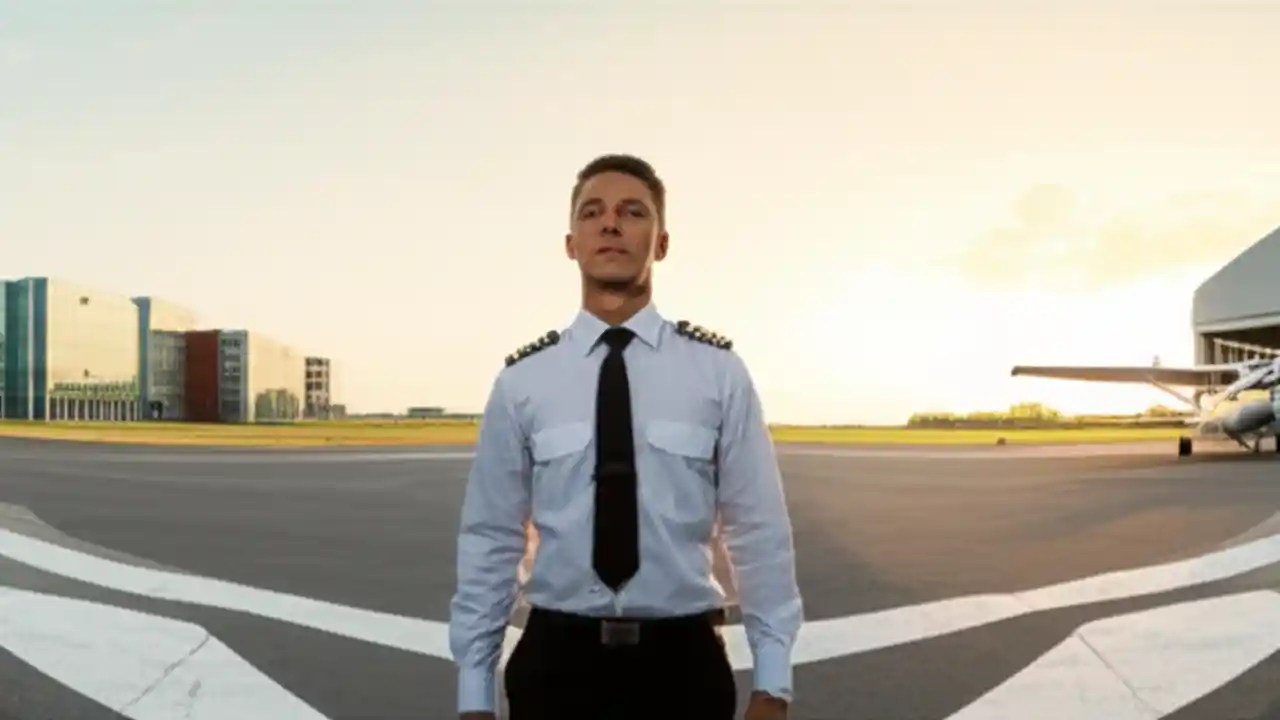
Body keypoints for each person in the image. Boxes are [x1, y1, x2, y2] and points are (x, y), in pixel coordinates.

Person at [448, 153, 804, 720]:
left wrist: (772, 683)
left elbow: (758, 530)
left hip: (683, 669)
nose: (610, 224)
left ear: (660, 243)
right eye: (593, 213)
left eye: (632, 212)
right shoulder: (523, 383)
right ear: (572, 244)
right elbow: (491, 536)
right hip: (556, 667)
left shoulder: (717, 374)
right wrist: (474, 693)